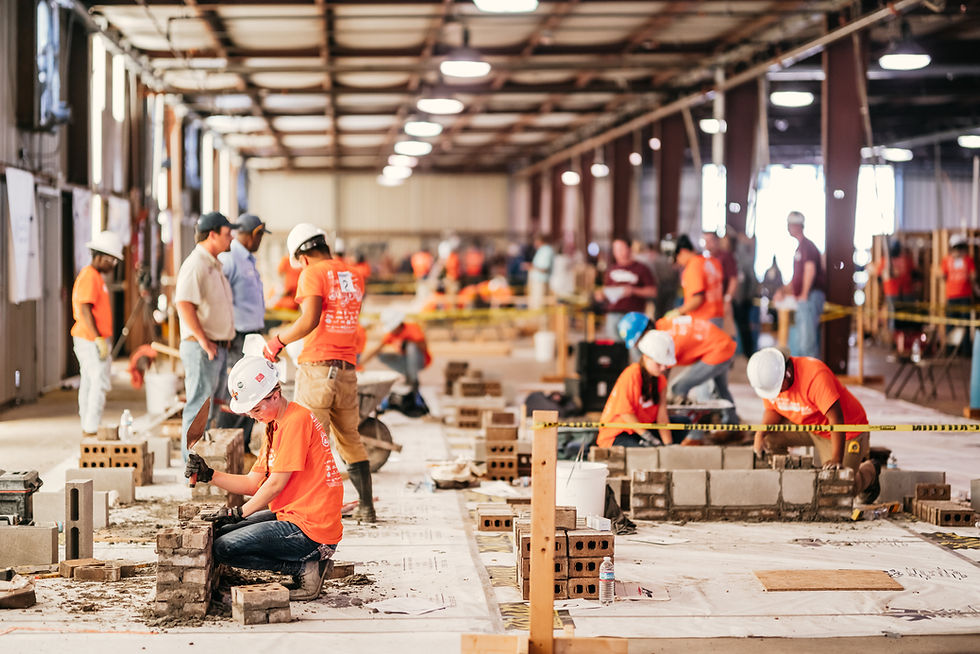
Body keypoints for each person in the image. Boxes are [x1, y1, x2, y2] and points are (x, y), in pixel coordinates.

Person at [184, 357, 343, 601]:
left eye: (256, 409)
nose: (252, 416)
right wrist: (210, 475)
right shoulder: (274, 425)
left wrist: (240, 512)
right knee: (223, 530)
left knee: (224, 548)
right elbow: (253, 483)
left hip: (312, 532)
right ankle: (304, 565)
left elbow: (276, 484)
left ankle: (306, 569)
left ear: (275, 394)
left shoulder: (295, 421)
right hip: (294, 515)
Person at [263, 224, 376, 522]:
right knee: (350, 438)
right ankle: (367, 508)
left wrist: (277, 341)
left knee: (309, 441)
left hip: (318, 369)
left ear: (303, 257)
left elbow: (310, 319)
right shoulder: (354, 274)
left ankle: (312, 512)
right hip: (347, 370)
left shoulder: (313, 273)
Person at [746, 347, 880, 503]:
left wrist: (836, 459)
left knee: (836, 493)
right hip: (811, 427)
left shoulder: (814, 375)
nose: (776, 394)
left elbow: (836, 418)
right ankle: (792, 483)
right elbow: (773, 409)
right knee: (769, 439)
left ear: (787, 374)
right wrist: (760, 433)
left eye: (777, 389)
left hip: (848, 430)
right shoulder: (770, 381)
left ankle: (869, 472)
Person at [175, 212, 237, 461]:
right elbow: (184, 304)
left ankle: (205, 462)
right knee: (199, 407)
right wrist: (203, 340)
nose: (231, 237)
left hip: (216, 347)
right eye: (227, 233)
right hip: (204, 349)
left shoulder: (213, 264)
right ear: (212, 234)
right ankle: (190, 465)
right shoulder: (196, 264)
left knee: (210, 408)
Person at [217, 213, 270, 450]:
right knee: (238, 389)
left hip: (251, 335)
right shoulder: (230, 259)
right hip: (237, 336)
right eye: (260, 237)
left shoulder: (247, 259)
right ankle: (225, 442)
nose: (261, 242)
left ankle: (243, 442)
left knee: (254, 388)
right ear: (252, 235)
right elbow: (219, 296)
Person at [71, 231, 124, 437]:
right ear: (102, 257)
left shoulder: (94, 277)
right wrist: (98, 338)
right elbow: (84, 309)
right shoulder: (89, 276)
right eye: (112, 260)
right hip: (90, 339)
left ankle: (88, 424)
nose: (113, 265)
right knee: (99, 382)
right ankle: (92, 427)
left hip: (91, 338)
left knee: (90, 381)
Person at [595, 330, 676, 448]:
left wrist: (669, 445)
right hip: (618, 433)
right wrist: (648, 437)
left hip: (639, 429)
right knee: (645, 453)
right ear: (646, 357)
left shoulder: (661, 380)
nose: (663, 368)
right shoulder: (632, 374)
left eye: (665, 364)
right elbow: (625, 413)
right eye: (659, 363)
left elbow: (662, 416)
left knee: (682, 423)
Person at [360, 309, 431, 410]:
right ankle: (408, 375)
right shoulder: (392, 334)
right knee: (381, 355)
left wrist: (409, 343)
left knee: (411, 347)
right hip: (406, 362)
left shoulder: (412, 329)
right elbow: (377, 349)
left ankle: (413, 380)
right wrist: (360, 363)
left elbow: (424, 347)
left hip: (420, 361)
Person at [595, 238, 657, 340]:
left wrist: (633, 291)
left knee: (635, 346)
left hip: (633, 313)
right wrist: (601, 295)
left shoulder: (641, 268)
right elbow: (606, 290)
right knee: (615, 347)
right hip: (613, 314)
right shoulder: (611, 270)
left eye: (621, 249)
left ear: (629, 249)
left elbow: (653, 291)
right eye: (615, 249)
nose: (618, 252)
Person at [783, 211, 825, 358]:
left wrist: (804, 294)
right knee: (803, 340)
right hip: (806, 298)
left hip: (809, 298)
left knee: (807, 343)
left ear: (796, 225)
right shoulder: (801, 247)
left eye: (789, 224)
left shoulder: (807, 246)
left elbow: (810, 270)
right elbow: (798, 276)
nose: (788, 228)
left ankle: (810, 377)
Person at [672, 234, 724, 327]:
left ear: (683, 251)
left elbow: (697, 299)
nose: (678, 263)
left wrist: (678, 311)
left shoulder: (693, 266)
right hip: (717, 317)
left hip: (702, 319)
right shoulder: (712, 262)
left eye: (676, 258)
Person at [731, 232, 760, 357]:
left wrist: (746, 298)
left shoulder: (743, 259)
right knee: (741, 328)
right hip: (740, 299)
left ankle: (748, 353)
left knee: (744, 328)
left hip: (742, 301)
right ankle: (745, 352)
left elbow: (750, 279)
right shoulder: (738, 258)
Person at [941, 234, 977, 318]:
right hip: (953, 296)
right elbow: (943, 276)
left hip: (963, 296)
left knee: (961, 322)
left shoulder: (968, 259)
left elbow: (973, 276)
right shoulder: (946, 260)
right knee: (952, 321)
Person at [526, 234, 554, 311]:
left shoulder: (546, 250)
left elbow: (544, 268)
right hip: (537, 281)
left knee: (539, 305)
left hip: (540, 282)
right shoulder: (542, 250)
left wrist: (531, 267)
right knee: (535, 305)